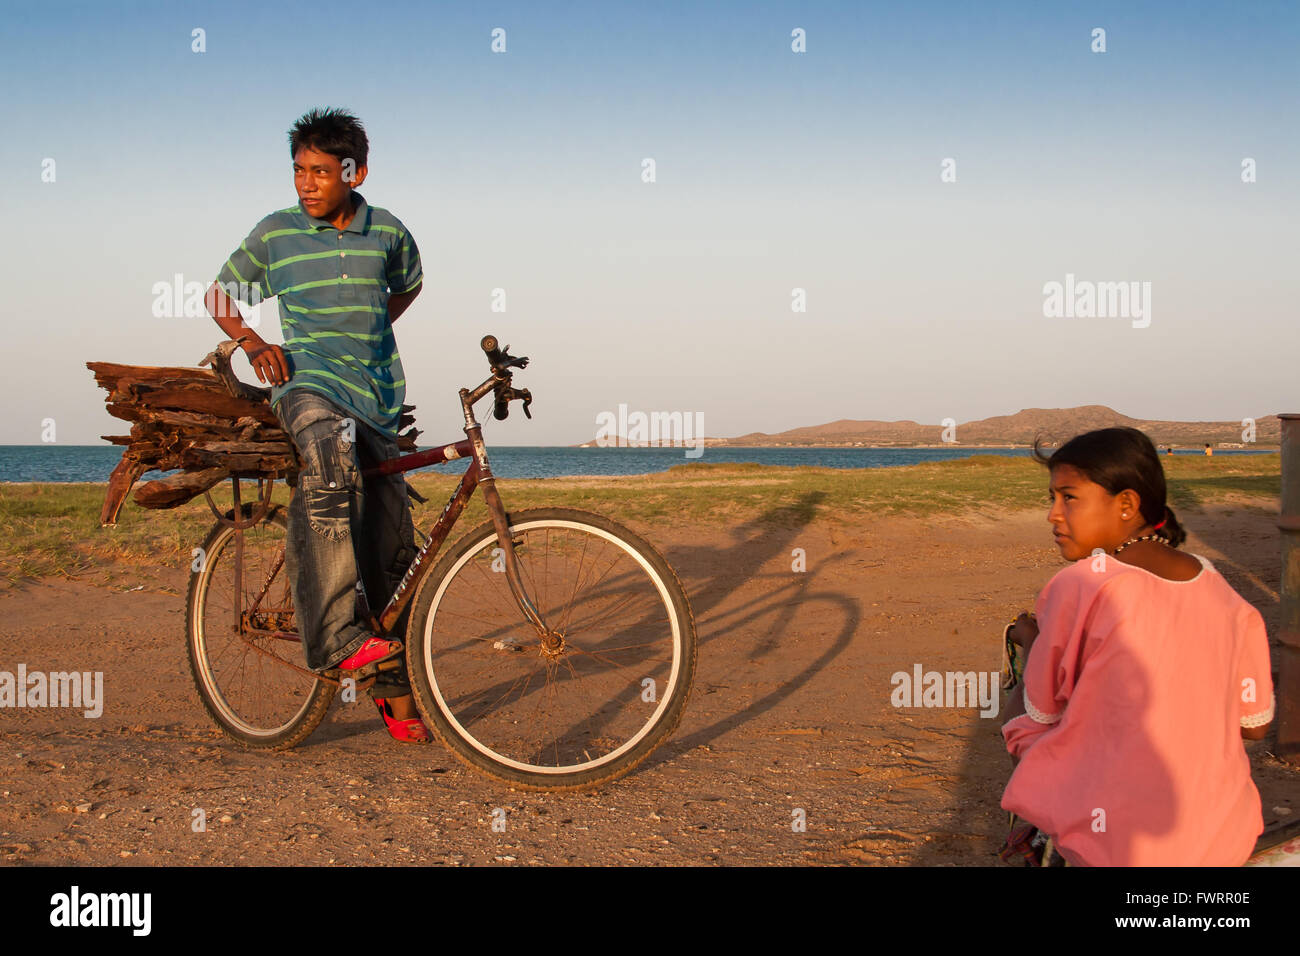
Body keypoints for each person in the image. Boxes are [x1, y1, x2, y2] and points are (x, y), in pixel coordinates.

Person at [203, 107, 432, 743]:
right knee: (329, 464)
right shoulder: (275, 234)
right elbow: (219, 293)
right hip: (304, 383)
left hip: (378, 395)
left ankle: (390, 688)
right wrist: (252, 341)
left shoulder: (387, 232)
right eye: (299, 170)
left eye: (321, 172)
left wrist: (369, 327)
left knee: (394, 553)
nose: (307, 183)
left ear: (355, 172)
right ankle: (334, 639)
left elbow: (408, 286)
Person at [998, 427, 1274, 865]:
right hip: (1222, 837)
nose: (1053, 514)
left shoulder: (1081, 586)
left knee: (1023, 723)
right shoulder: (1224, 592)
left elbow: (1039, 712)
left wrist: (1032, 646)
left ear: (1127, 504)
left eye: (1068, 497)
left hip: (1116, 843)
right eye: (1051, 499)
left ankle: (1049, 829)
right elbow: (1255, 725)